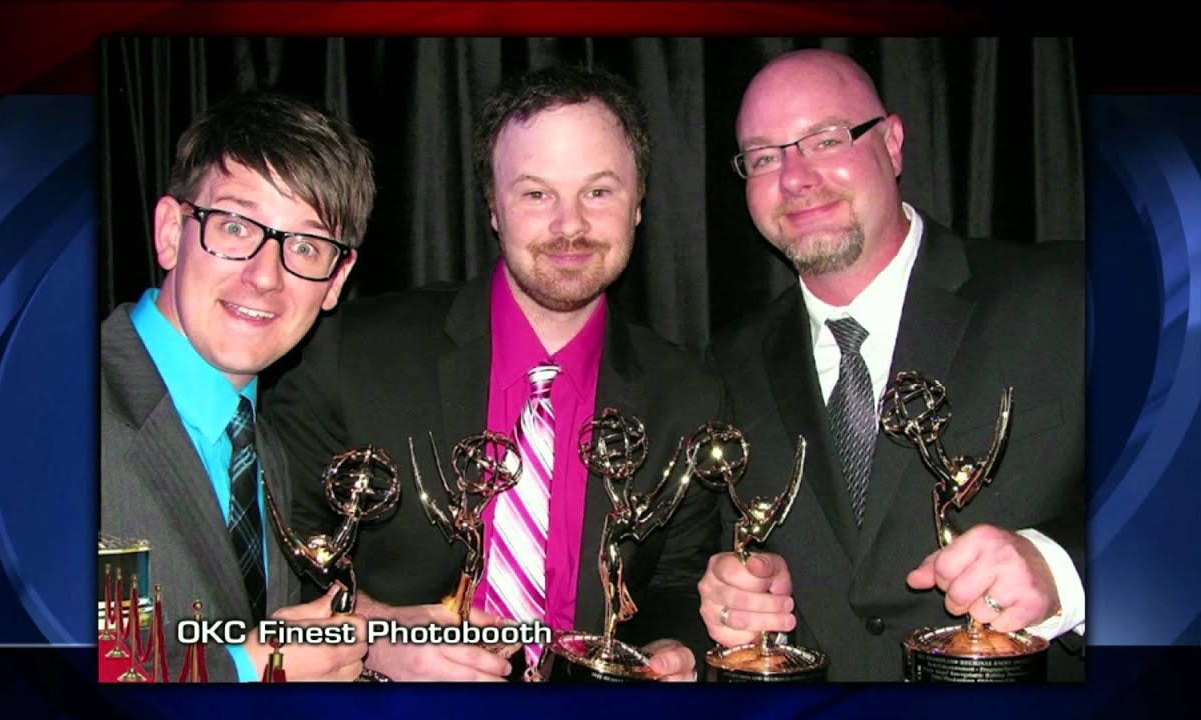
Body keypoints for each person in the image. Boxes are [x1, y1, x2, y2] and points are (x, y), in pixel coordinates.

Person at [265, 65, 722, 681]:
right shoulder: (355, 352)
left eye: (599, 191)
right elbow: (268, 554)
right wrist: (375, 638)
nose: (570, 225)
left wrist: (678, 650)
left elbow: (677, 582)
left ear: (638, 203)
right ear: (493, 207)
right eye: (536, 193)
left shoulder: (687, 393)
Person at [699, 49, 1086, 681]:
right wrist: (726, 592)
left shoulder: (1068, 295)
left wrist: (1062, 568)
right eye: (765, 157)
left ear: (894, 143)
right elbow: (704, 561)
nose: (795, 178)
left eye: (825, 139)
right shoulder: (727, 363)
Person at [100, 90, 375, 681]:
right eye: (235, 226)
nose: (264, 275)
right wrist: (251, 672)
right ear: (171, 231)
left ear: (335, 280)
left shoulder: (261, 449)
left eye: (305, 245)